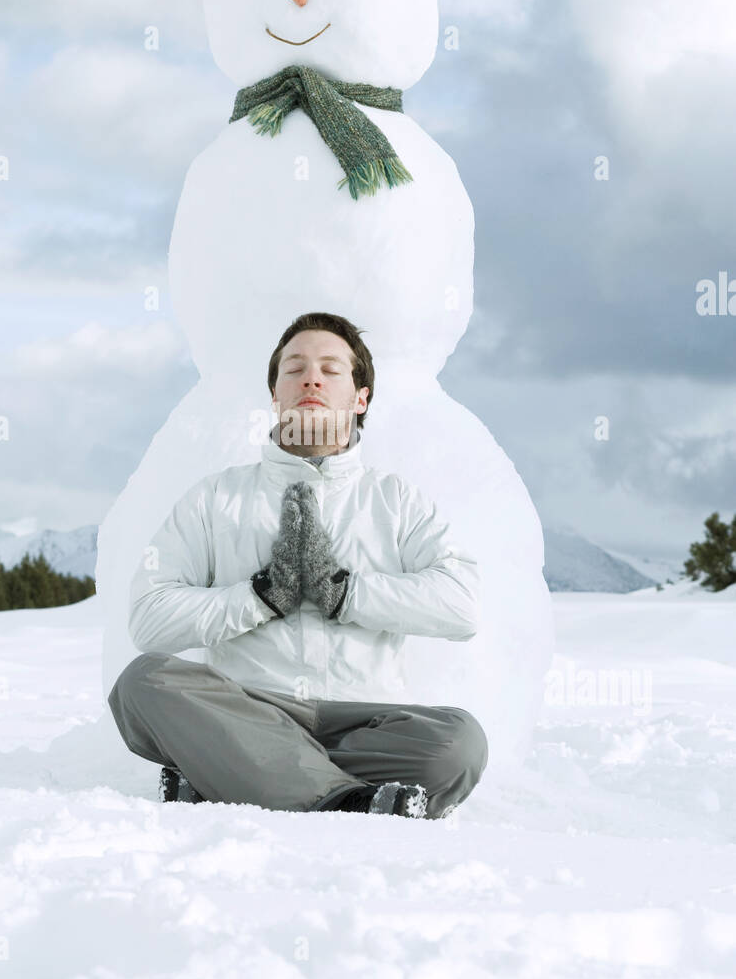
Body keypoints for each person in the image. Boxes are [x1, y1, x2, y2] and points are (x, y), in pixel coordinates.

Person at [108, 311, 488, 820]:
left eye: (331, 369)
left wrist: (346, 593)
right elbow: (150, 619)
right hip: (248, 707)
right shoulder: (216, 498)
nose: (311, 377)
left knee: (458, 744)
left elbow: (463, 606)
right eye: (294, 368)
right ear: (275, 395)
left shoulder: (396, 500)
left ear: (361, 398)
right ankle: (347, 799)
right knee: (143, 683)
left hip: (366, 723)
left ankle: (233, 772)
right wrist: (262, 596)